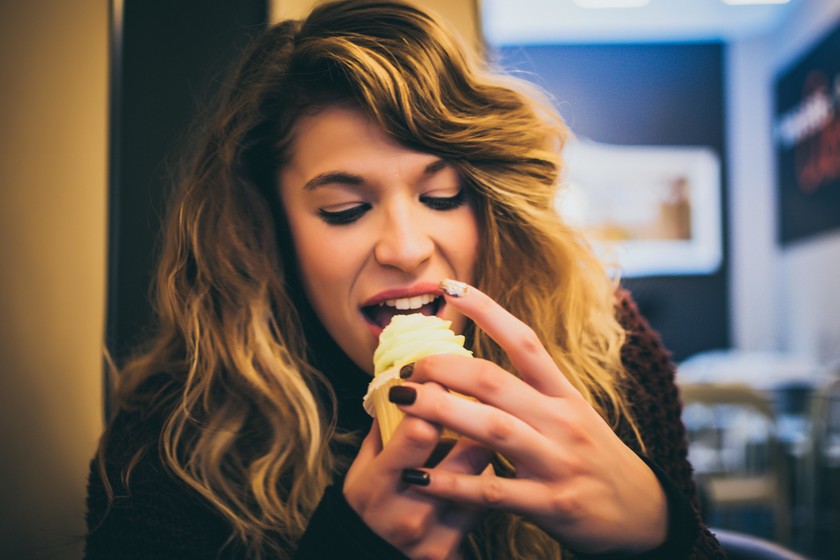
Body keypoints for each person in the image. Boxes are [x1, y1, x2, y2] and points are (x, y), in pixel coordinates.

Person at [85, 1, 725, 558]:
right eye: (344, 210)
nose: (406, 248)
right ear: (271, 229)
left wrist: (659, 536)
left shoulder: (611, 356)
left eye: (443, 197)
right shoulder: (175, 433)